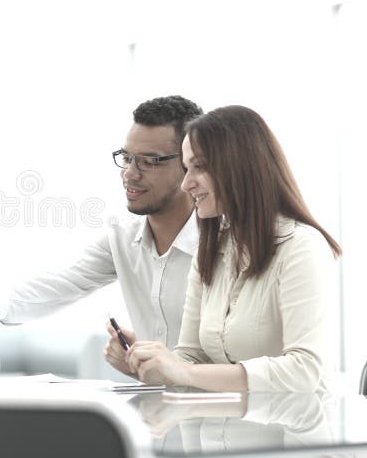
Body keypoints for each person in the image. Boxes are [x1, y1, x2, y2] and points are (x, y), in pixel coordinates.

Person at [0, 95, 203, 358]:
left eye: (149, 161)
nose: (129, 173)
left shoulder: (221, 242)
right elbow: (57, 286)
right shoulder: (123, 239)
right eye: (126, 158)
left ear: (189, 163)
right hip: (153, 388)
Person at [107, 106, 341, 393]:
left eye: (199, 167)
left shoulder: (301, 247)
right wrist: (145, 363)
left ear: (241, 167)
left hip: (297, 421)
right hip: (228, 420)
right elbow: (192, 358)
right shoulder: (211, 251)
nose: (186, 183)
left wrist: (183, 371)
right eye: (186, 167)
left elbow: (304, 370)